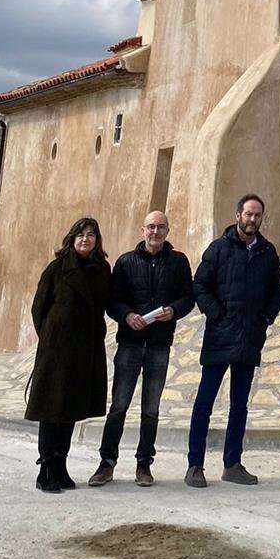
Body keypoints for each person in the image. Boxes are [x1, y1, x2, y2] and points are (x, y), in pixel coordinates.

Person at [89, 209, 194, 488]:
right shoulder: (125, 262)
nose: (155, 232)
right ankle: (107, 463)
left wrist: (174, 310)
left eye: (160, 227)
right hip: (130, 344)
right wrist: (126, 316)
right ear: (142, 230)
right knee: (119, 406)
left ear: (168, 231)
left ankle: (144, 464)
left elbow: (188, 297)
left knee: (151, 409)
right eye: (150, 227)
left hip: (160, 345)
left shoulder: (179, 262)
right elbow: (112, 301)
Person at [185, 193, 280, 488]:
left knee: (239, 406)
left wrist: (265, 319)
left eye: (257, 215)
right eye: (248, 214)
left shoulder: (267, 252)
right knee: (204, 403)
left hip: (249, 338)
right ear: (237, 215)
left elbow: (276, 291)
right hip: (219, 336)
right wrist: (216, 315)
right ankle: (195, 465)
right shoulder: (218, 249)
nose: (252, 219)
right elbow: (200, 285)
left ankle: (232, 463)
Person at [25, 215, 112, 494]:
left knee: (71, 409)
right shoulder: (57, 268)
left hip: (85, 349)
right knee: (51, 409)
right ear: (72, 239)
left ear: (97, 240)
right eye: (80, 235)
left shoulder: (101, 269)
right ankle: (45, 469)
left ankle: (61, 466)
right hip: (57, 349)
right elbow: (39, 308)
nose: (86, 239)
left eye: (91, 235)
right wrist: (52, 337)